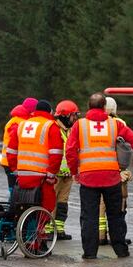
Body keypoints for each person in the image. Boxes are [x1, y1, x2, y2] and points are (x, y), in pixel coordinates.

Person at [66, 92, 133, 260]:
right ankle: (121, 250)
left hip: (88, 177)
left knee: (89, 216)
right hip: (111, 177)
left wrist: (74, 171)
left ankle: (90, 253)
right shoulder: (114, 124)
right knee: (115, 215)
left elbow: (70, 150)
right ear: (105, 107)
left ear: (88, 107)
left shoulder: (79, 125)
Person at [6, 100, 63, 217]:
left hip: (22, 175)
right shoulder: (50, 126)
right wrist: (51, 174)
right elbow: (56, 153)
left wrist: (15, 170)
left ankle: (24, 227)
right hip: (41, 177)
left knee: (22, 204)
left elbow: (11, 151)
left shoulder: (22, 125)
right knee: (46, 205)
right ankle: (39, 231)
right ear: (50, 112)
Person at [98, 97, 133, 245]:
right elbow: (130, 142)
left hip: (97, 168)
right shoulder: (119, 123)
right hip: (116, 169)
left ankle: (100, 236)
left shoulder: (93, 124)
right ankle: (117, 236)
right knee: (119, 203)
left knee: (101, 205)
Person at [53, 100, 81, 240]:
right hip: (56, 174)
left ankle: (59, 229)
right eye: (73, 115)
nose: (75, 119)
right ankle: (48, 229)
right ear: (65, 115)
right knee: (51, 202)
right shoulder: (54, 129)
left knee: (62, 203)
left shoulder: (70, 130)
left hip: (67, 173)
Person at [0, 102, 33, 196]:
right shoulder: (17, 122)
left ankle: (13, 206)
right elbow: (15, 142)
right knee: (15, 189)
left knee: (15, 189)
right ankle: (12, 207)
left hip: (11, 161)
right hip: (11, 162)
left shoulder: (19, 120)